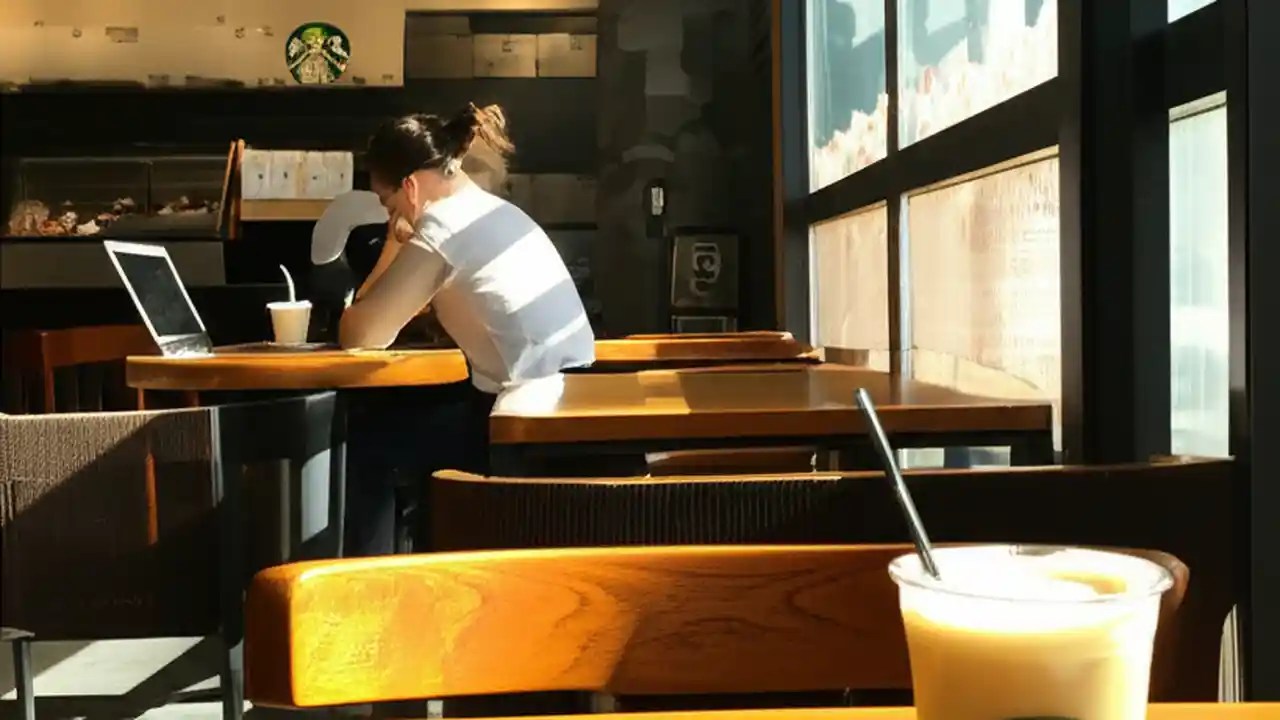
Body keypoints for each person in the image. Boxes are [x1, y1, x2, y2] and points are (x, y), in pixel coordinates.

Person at [338, 103, 595, 557]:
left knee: (366, 439)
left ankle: (366, 583)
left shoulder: (442, 225)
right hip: (566, 400)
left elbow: (362, 335)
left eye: (388, 201)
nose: (392, 213)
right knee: (414, 428)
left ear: (410, 188)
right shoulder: (494, 212)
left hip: (523, 418)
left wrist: (391, 247)